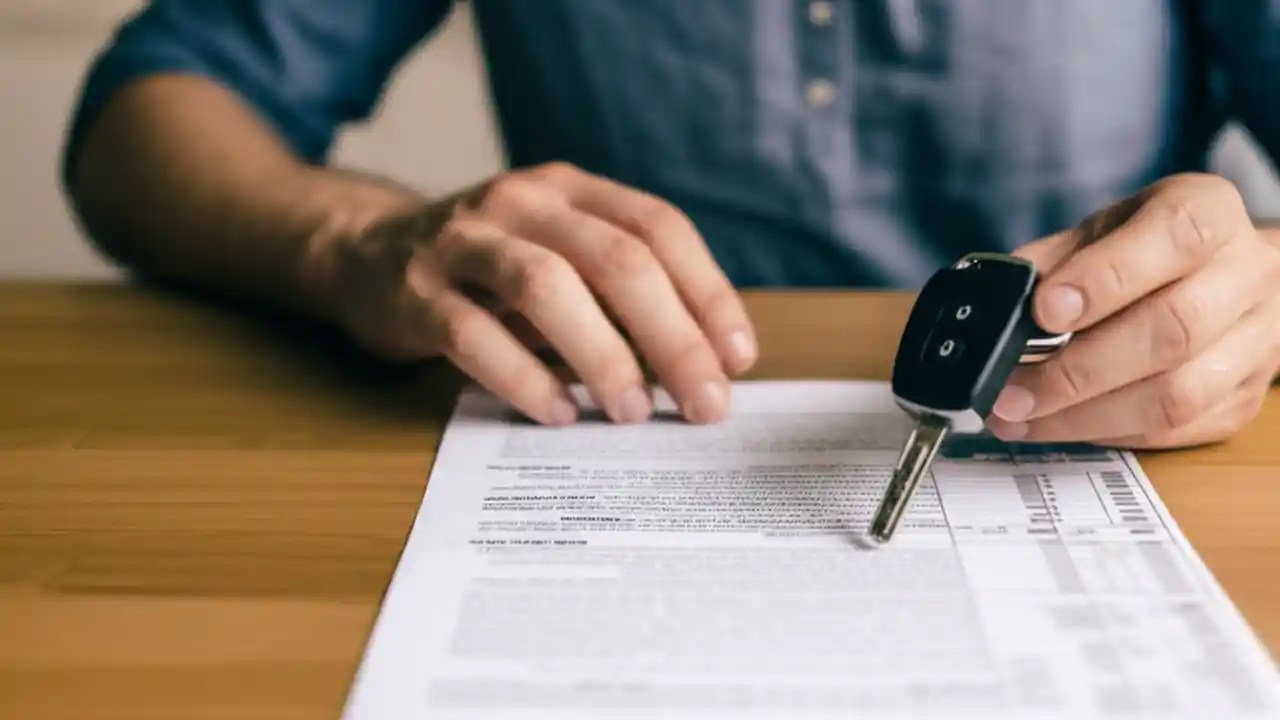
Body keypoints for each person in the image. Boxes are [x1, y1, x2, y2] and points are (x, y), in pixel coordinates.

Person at [65, 1, 1280, 448]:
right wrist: (345, 238)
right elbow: (152, 107)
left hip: (1103, 448)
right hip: (600, 427)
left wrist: (1261, 289)